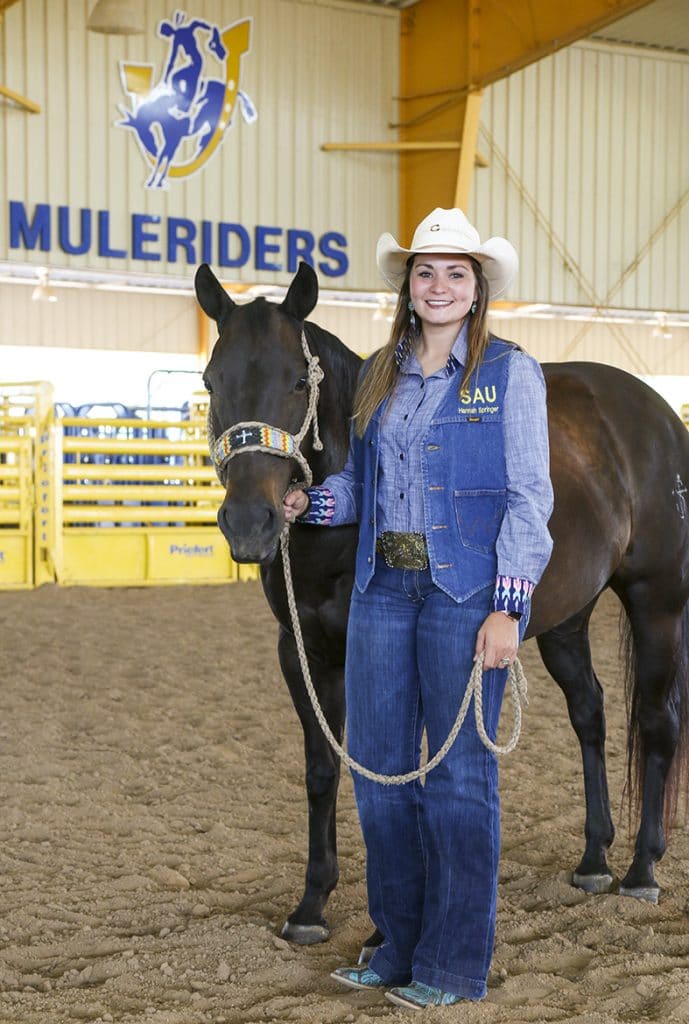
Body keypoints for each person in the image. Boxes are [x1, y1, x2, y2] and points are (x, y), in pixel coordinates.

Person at [283, 208, 553, 1010]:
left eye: (454, 273)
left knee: (460, 778)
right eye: (424, 272)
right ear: (407, 287)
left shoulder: (509, 373)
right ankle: (396, 944)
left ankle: (451, 963)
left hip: (462, 594)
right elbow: (358, 485)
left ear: (476, 288)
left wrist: (508, 608)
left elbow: (529, 497)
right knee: (379, 776)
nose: (438, 286)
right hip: (380, 592)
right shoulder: (377, 373)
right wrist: (310, 503)